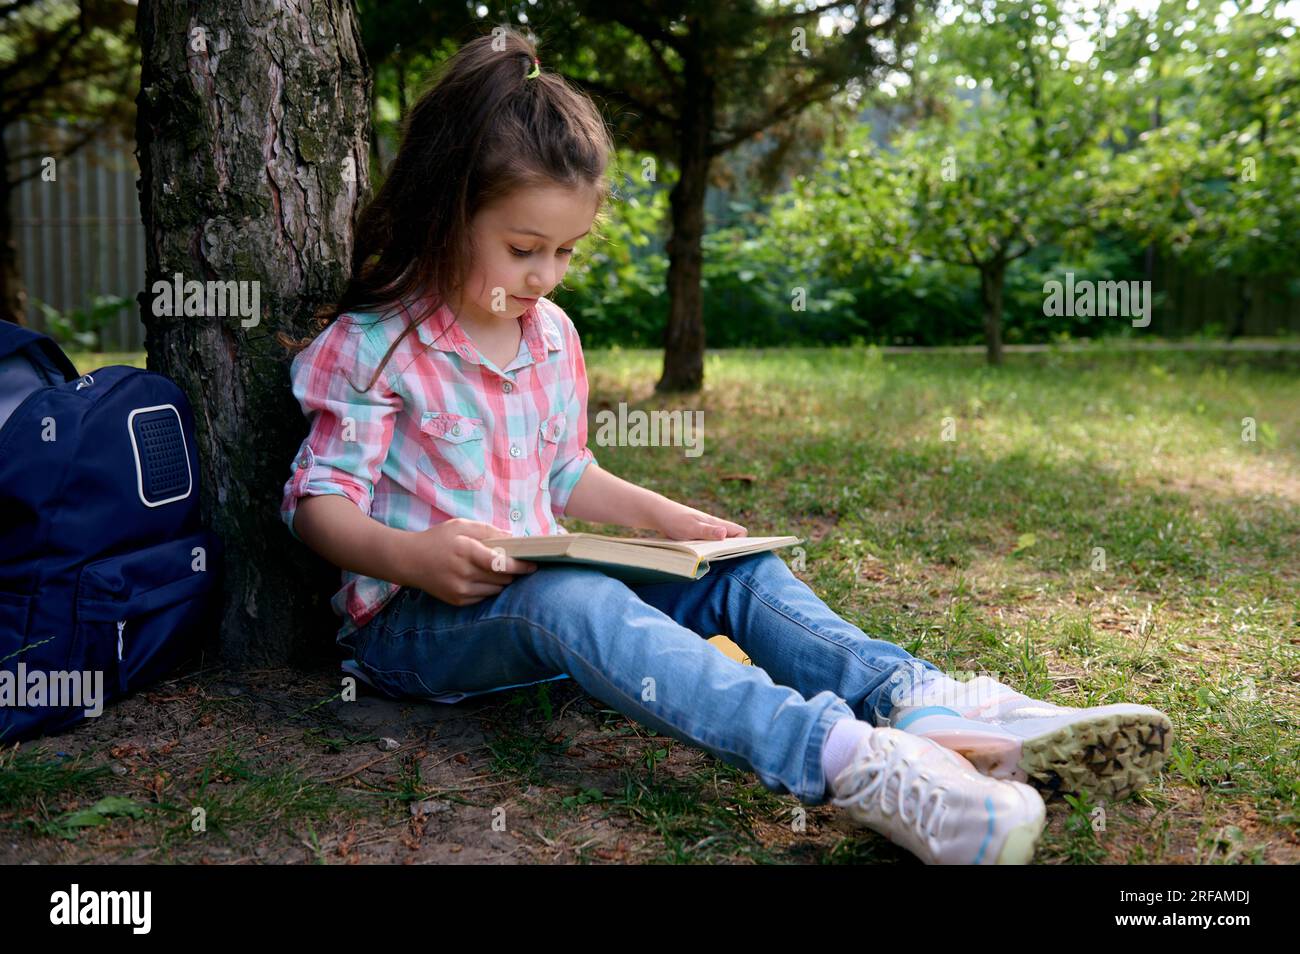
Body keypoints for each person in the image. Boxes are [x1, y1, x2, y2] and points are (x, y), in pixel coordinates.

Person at [278, 29, 1171, 865]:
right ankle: (855, 765)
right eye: (523, 249)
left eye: (566, 251)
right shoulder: (376, 347)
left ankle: (923, 704)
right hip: (419, 628)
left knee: (730, 572)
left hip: (541, 591)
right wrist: (412, 555)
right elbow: (315, 504)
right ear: (447, 211)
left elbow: (564, 471)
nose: (545, 276)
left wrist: (675, 523)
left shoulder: (551, 336)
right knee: (575, 599)